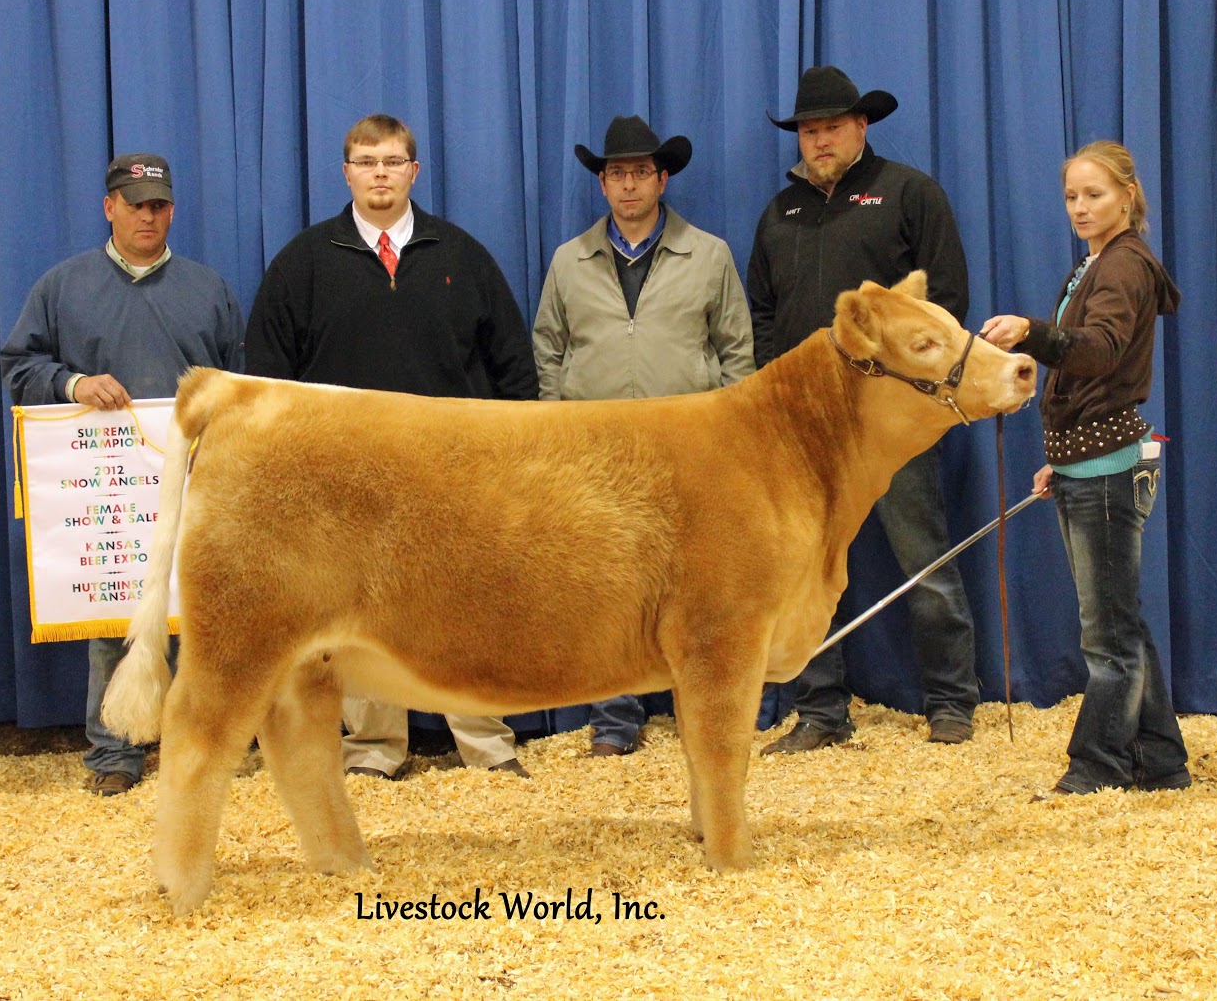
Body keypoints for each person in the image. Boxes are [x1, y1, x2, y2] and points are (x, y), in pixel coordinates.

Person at [244, 113, 536, 779]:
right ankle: (374, 749)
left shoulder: (461, 256)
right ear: (346, 172)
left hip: (453, 473)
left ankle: (486, 745)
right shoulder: (302, 264)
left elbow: (513, 366)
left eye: (393, 161)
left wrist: (512, 458)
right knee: (359, 618)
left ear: (414, 171)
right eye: (367, 162)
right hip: (345, 481)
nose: (380, 174)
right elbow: (267, 379)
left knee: (462, 609)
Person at [748, 65, 981, 752]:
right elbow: (763, 312)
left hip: (891, 420)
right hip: (806, 427)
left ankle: (951, 701)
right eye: (808, 131)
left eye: (831, 127)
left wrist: (903, 389)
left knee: (922, 557)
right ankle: (820, 710)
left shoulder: (909, 193)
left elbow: (945, 305)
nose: (819, 141)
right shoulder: (780, 213)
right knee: (806, 570)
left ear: (861, 126)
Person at [1, 153, 244, 796]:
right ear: (109, 207)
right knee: (116, 617)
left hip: (195, 476)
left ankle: (199, 747)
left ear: (173, 211)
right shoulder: (63, 287)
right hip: (103, 481)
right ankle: (116, 751)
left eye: (158, 205)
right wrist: (72, 383)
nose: (147, 216)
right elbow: (19, 366)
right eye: (135, 204)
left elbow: (239, 383)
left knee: (200, 613)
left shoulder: (208, 290)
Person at [533, 115, 755, 757]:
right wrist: (556, 428)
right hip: (595, 448)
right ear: (602, 185)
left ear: (662, 180)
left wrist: (728, 436)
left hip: (688, 445)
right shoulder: (569, 260)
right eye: (616, 174)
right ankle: (615, 718)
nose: (628, 184)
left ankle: (700, 705)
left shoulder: (709, 254)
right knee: (606, 581)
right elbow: (549, 349)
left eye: (639, 172)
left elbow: (736, 349)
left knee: (698, 580)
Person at [980, 140, 1189, 795]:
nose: (1080, 206)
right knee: (1118, 620)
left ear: (1127, 196)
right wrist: (1061, 461)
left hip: (1106, 469)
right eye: (1072, 196)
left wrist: (1030, 332)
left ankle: (1099, 764)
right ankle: (1160, 759)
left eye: (1094, 194)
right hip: (1089, 462)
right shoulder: (1098, 262)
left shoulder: (1123, 266)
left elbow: (1098, 353)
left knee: (1108, 634)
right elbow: (1088, 372)